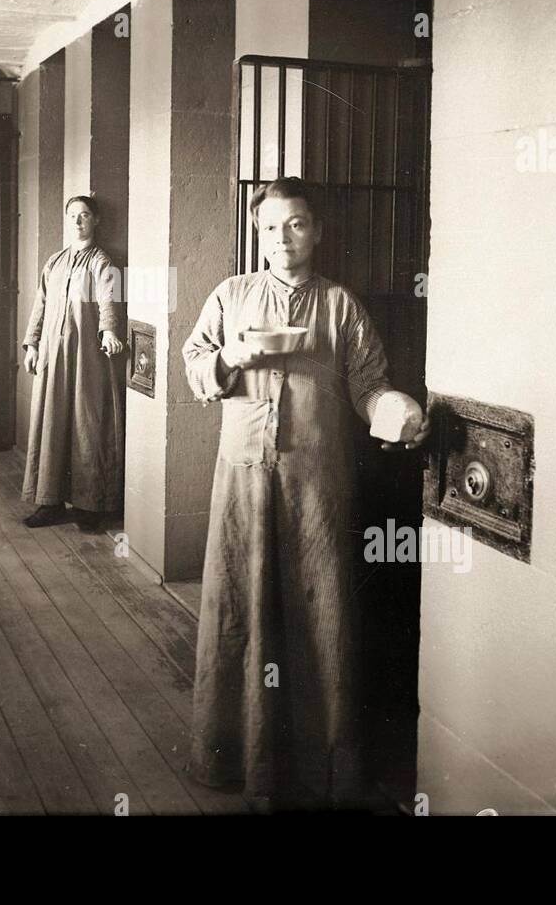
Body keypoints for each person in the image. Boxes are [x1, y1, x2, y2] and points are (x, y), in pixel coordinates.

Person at [180, 176, 430, 810]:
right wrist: (231, 354)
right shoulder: (231, 295)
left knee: (317, 610)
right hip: (242, 478)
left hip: (317, 484)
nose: (282, 238)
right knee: (242, 606)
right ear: (256, 234)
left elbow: (368, 386)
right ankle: (235, 757)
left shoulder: (340, 307)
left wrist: (394, 406)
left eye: (295, 224)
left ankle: (321, 768)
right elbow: (195, 367)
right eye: (269, 227)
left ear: (317, 231)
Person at [20, 195, 125, 531]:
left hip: (86, 357)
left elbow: (109, 300)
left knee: (87, 424)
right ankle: (48, 503)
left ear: (95, 221)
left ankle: (88, 506)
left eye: (84, 216)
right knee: (50, 422)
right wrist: (32, 344)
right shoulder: (55, 262)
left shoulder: (102, 262)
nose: (78, 222)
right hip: (52, 354)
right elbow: (41, 303)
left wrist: (108, 330)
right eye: (72, 216)